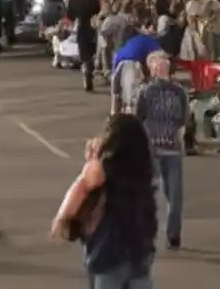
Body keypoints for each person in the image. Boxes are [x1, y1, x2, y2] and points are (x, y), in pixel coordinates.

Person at [52, 114, 157, 288]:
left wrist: (92, 159)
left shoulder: (102, 170)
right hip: (140, 251)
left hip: (107, 252)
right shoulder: (145, 174)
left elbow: (79, 194)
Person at [135, 51, 190, 250]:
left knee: (175, 196)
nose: (163, 71)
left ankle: (173, 235)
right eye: (159, 68)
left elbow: (184, 118)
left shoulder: (178, 92)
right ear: (152, 70)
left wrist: (179, 134)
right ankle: (147, 234)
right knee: (149, 195)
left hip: (173, 149)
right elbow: (137, 118)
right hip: (151, 150)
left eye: (165, 67)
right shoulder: (145, 92)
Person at [67, 0, 100, 92]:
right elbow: (97, 10)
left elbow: (70, 15)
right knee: (93, 50)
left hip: (81, 25)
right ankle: (91, 67)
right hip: (92, 25)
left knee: (84, 52)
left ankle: (86, 69)